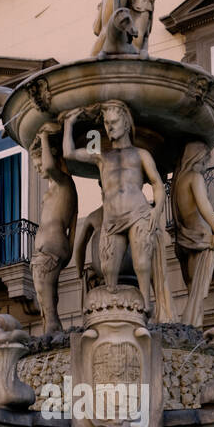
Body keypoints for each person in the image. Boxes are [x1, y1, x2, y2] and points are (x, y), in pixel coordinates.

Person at [63, 101, 163, 317]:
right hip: (112, 219)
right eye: (106, 123)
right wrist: (69, 123)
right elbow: (69, 153)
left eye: (114, 122)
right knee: (109, 268)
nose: (109, 127)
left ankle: (146, 304)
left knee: (142, 262)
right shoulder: (101, 157)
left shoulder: (140, 154)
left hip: (138, 213)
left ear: (126, 123)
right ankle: (112, 310)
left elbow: (156, 183)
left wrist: (157, 210)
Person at [30, 124, 78, 335]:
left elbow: (50, 167)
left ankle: (53, 329)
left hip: (52, 246)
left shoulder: (63, 181)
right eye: (35, 166)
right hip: (50, 247)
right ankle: (50, 326)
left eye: (38, 163)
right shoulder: (55, 186)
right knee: (44, 293)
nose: (38, 168)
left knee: (44, 289)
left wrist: (43, 137)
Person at [172, 140, 214, 328]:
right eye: (206, 159)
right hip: (202, 237)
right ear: (198, 157)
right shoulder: (194, 177)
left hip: (184, 237)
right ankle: (194, 326)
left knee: (192, 286)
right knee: (199, 291)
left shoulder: (178, 181)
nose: (207, 164)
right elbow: (204, 204)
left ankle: (193, 326)